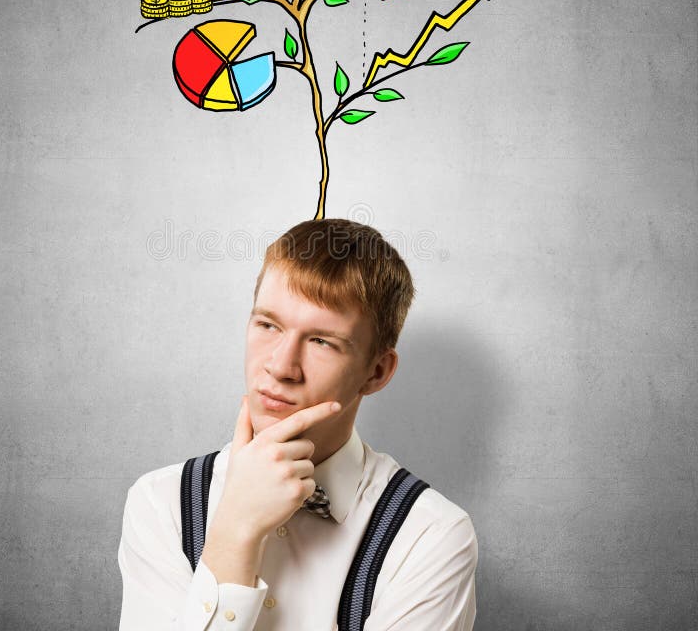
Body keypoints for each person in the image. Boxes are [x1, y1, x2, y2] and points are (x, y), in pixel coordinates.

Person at [117, 219, 477, 630]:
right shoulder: (161, 503)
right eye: (268, 325)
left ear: (376, 372)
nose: (280, 366)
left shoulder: (430, 535)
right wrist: (235, 529)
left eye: (322, 341)